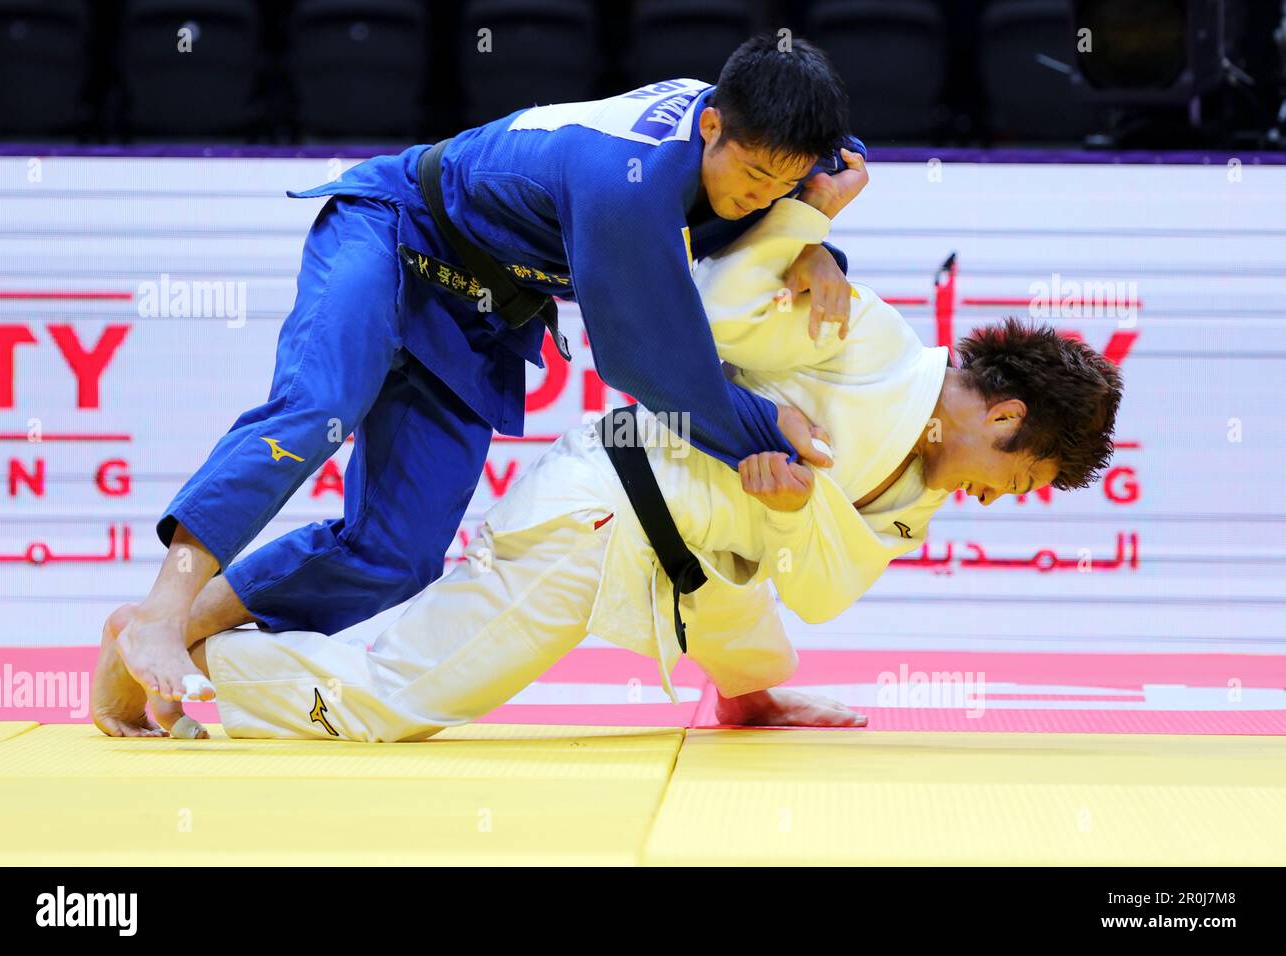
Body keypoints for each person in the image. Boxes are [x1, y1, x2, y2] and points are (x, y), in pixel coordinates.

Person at [93, 171, 1122, 741]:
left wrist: (787, 492)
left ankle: (747, 693)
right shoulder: (863, 336)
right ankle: (189, 654)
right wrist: (806, 246)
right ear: (1004, 415)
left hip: (709, 558)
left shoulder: (917, 501)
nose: (1000, 501)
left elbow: (815, 587)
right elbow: (703, 301)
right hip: (604, 515)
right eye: (1021, 480)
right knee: (392, 703)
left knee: (758, 613)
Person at [105, 35, 866, 710]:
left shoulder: (771, 133)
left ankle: (164, 631)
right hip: (394, 229)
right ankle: (163, 609)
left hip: (480, 312)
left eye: (782, 184)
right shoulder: (626, 181)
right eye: (755, 175)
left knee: (395, 557)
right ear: (710, 125)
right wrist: (762, 431)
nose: (761, 196)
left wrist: (814, 238)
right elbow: (645, 361)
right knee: (318, 405)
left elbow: (831, 163)